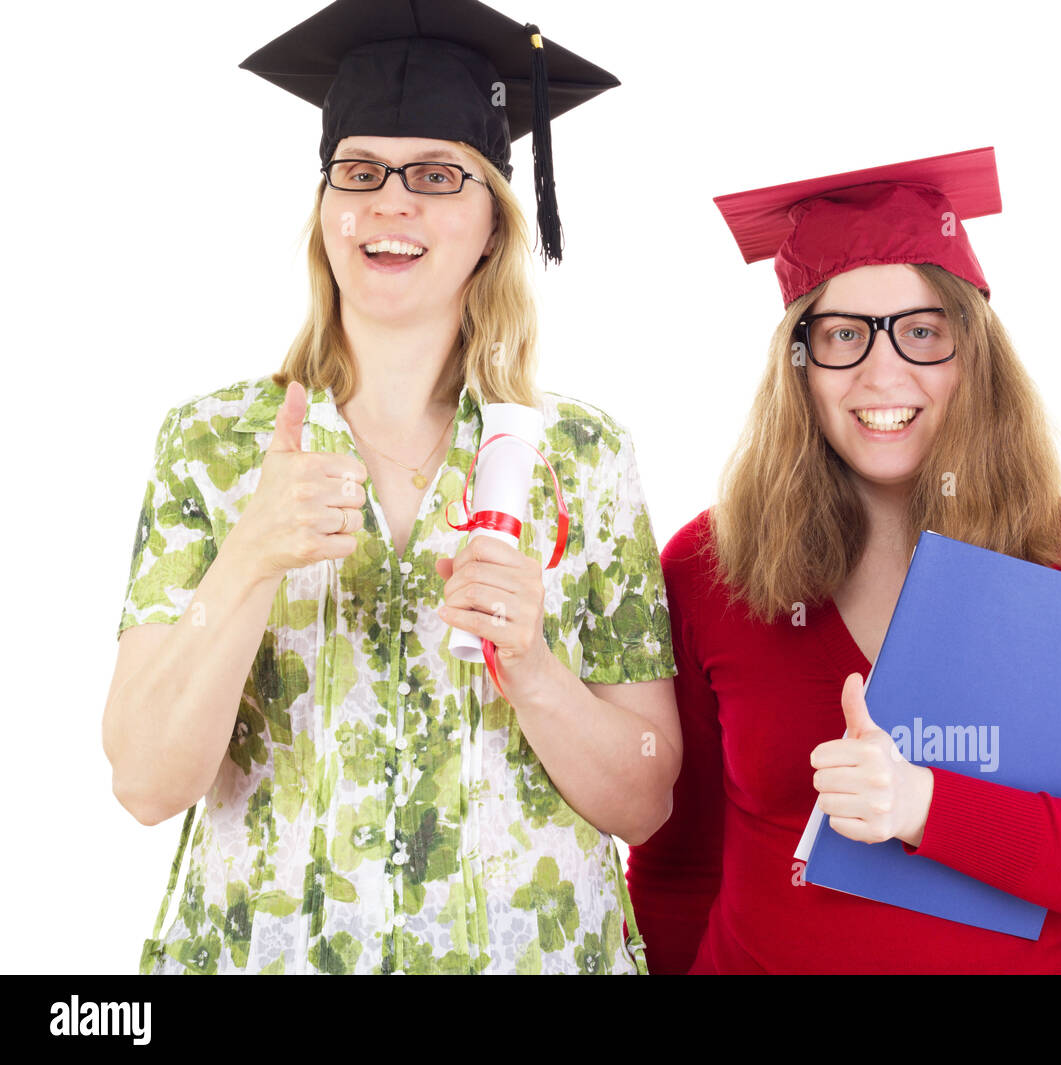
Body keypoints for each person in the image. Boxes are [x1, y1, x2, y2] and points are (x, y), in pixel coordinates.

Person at [102, 0, 680, 975]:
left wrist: (533, 668)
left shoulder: (580, 454)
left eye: (438, 176)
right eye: (358, 172)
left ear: (494, 221)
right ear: (327, 208)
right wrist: (249, 559)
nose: (390, 203)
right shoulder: (212, 444)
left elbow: (646, 796)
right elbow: (146, 785)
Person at [625, 147, 1061, 974]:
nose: (882, 371)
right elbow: (679, 865)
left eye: (923, 331)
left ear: (974, 355)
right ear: (800, 367)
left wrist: (928, 805)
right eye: (843, 335)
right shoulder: (712, 566)